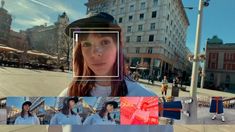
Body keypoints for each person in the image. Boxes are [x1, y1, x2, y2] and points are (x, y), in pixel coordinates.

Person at [59, 12, 156, 97]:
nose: (96, 53)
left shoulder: (144, 97)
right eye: (87, 44)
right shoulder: (68, 95)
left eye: (105, 42)